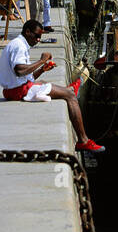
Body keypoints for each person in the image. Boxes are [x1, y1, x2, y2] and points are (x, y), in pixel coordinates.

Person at [0, 20, 103, 152]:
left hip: (15, 89)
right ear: (27, 32)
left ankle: (69, 89)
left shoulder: (19, 44)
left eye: (40, 37)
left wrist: (43, 69)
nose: (38, 40)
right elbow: (19, 71)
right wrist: (42, 60)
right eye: (36, 36)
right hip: (17, 91)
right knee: (70, 97)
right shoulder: (19, 46)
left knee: (42, 83)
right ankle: (83, 141)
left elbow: (26, 77)